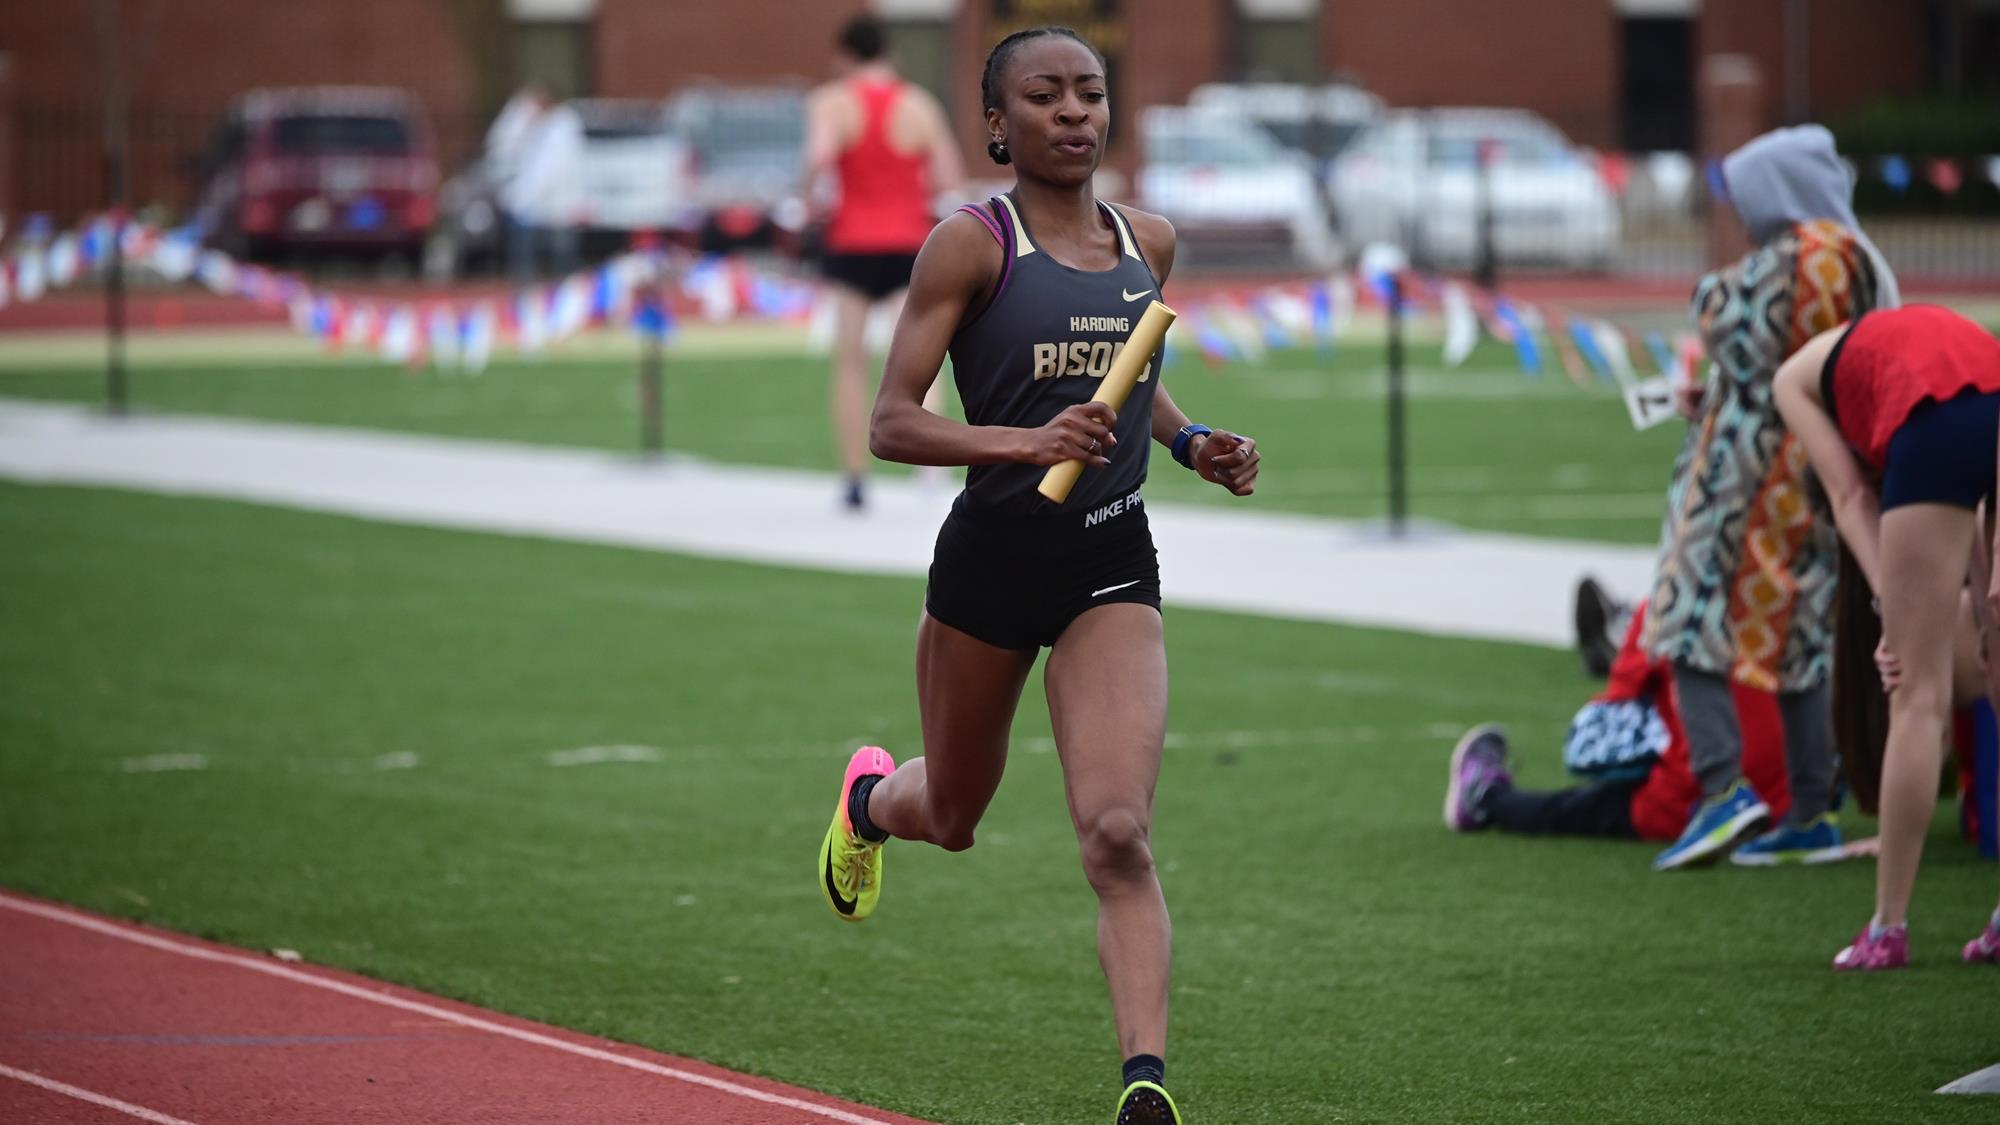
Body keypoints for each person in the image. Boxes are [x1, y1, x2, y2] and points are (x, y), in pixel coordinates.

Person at [813, 26, 1260, 1124]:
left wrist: (1188, 439)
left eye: (1090, 93)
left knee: (1115, 833)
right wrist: (1021, 443)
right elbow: (890, 423)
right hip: (990, 568)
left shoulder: (1145, 242)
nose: (1072, 113)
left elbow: (1126, 378)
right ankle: (871, 803)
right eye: (1044, 96)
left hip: (1108, 558)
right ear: (997, 127)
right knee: (955, 813)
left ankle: (1142, 1087)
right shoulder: (969, 246)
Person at [1645, 124, 1897, 872]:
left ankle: (1723, 790)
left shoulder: (1814, 253)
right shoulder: (1855, 257)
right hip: (1808, 471)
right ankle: (1814, 809)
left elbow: (1725, 316)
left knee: (1686, 613)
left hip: (1747, 482)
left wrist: (1719, 294)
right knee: (1797, 637)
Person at [1771, 304, 2000, 970]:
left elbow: (1849, 496)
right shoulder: (1878, 347)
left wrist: (1887, 606)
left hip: (1937, 419)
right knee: (1994, 655)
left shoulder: (1794, 380)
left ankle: (1887, 927)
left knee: (1917, 692)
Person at [1448, 601, 1798, 846]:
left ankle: (1484, 798)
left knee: (1572, 807)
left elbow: (1601, 725)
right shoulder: (1786, 597)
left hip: (1689, 802)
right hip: (1784, 801)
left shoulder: (1668, 604)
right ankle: (1811, 819)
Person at [803, 15, 965, 511]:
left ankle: (855, 477)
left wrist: (811, 199)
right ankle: (930, 472)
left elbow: (819, 157)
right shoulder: (918, 104)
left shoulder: (831, 100)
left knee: (851, 363)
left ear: (844, 55)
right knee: (921, 361)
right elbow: (948, 176)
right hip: (905, 244)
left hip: (852, 242)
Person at [489, 85, 584, 286]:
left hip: (556, 202)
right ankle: (531, 289)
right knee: (531, 257)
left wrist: (530, 194)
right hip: (536, 204)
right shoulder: (538, 126)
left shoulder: (562, 127)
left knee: (560, 256)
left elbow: (550, 167)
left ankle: (564, 295)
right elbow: (501, 143)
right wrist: (517, 112)